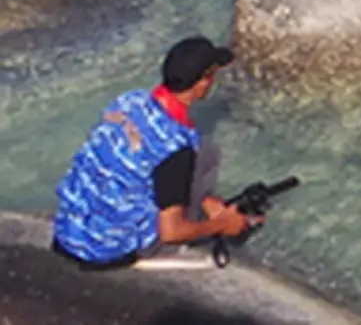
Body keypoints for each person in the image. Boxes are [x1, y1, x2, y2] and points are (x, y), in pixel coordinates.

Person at [50, 36, 263, 269]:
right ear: (202, 83)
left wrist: (205, 200)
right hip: (107, 249)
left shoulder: (128, 101)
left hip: (68, 230)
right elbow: (171, 231)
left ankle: (194, 203)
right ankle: (164, 245)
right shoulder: (176, 147)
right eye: (211, 75)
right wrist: (223, 225)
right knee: (208, 154)